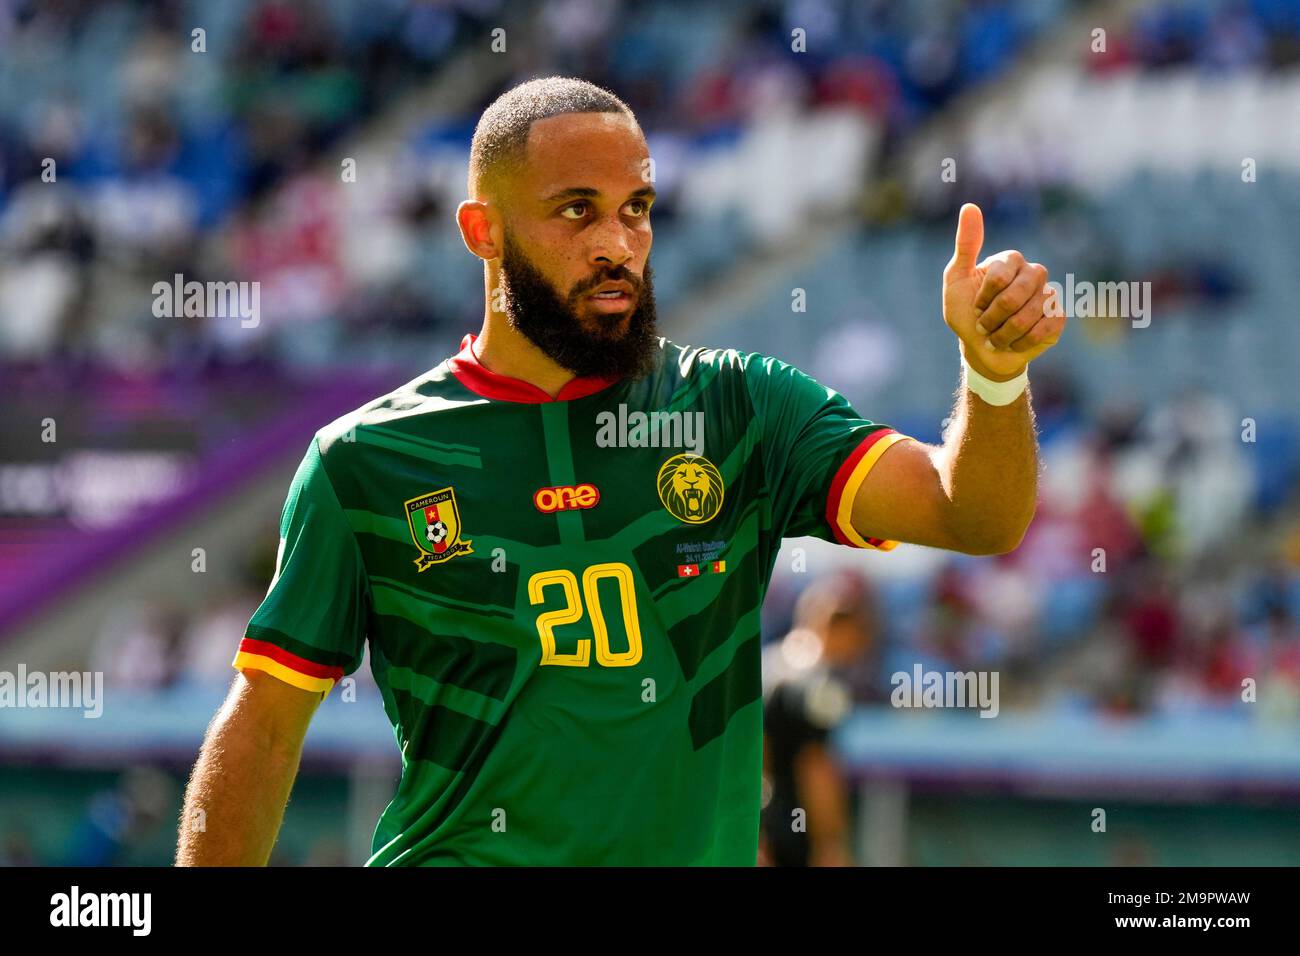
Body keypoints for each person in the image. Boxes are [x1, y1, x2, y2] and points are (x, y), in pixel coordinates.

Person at [176, 76, 1062, 867]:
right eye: (576, 211)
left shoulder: (742, 410)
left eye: (636, 207)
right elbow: (264, 724)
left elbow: (971, 516)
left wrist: (993, 374)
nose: (619, 243)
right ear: (483, 231)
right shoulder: (364, 463)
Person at [760, 571, 882, 867]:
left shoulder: (766, 665)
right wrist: (830, 844)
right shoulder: (820, 685)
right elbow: (815, 768)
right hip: (795, 833)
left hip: (753, 825)